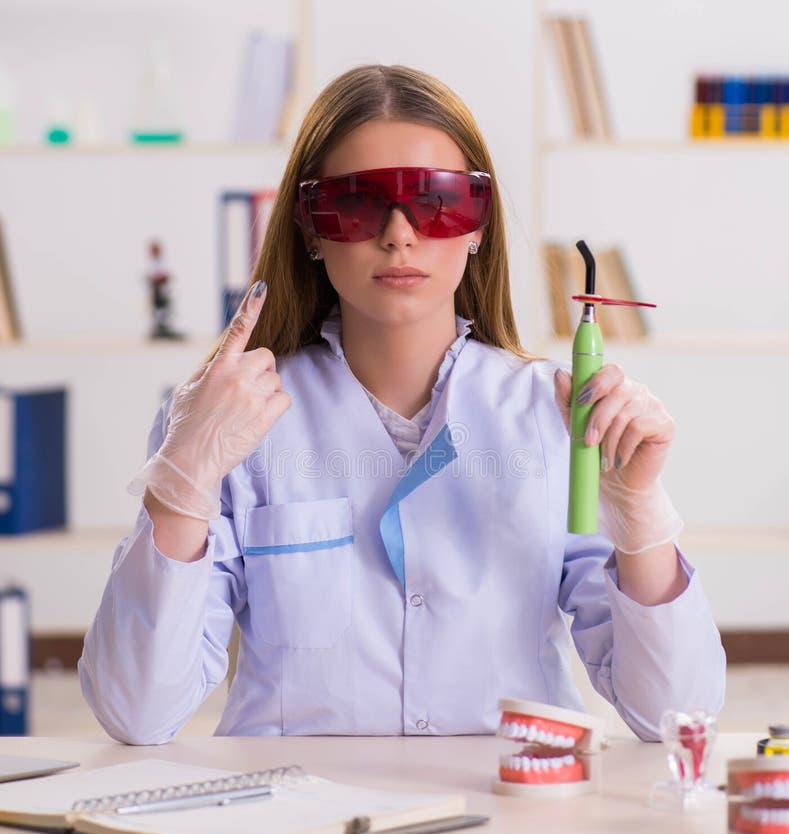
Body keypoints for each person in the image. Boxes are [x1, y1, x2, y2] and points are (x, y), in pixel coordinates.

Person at [79, 64, 725, 746]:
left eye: (435, 201)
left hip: (514, 810)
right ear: (309, 228)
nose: (397, 234)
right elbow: (136, 714)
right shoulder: (229, 421)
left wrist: (641, 517)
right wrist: (183, 477)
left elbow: (674, 717)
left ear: (478, 225)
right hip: (297, 817)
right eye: (356, 204)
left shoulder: (557, 415)